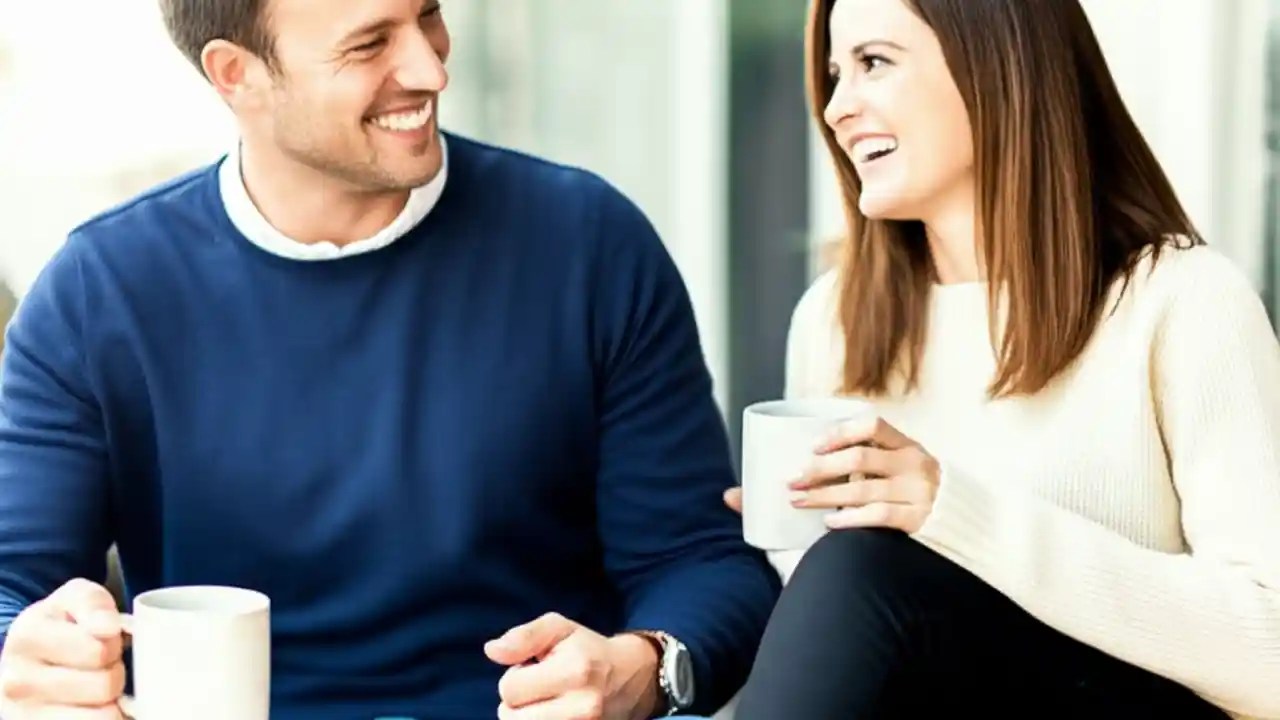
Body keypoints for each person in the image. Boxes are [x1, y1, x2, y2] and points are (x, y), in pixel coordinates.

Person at [0, 0, 781, 718]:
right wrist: (24, 654)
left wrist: (643, 665)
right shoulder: (98, 293)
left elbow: (701, 561)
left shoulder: (589, 244)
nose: (432, 69)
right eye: (370, 43)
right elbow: (10, 586)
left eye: (429, 14)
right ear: (237, 75)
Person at [718, 0, 1280, 718]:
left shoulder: (1184, 301)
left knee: (862, 566)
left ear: (997, 64)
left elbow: (1273, 654)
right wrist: (793, 539)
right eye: (834, 75)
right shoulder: (834, 319)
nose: (835, 109)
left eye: (874, 64)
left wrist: (951, 509)